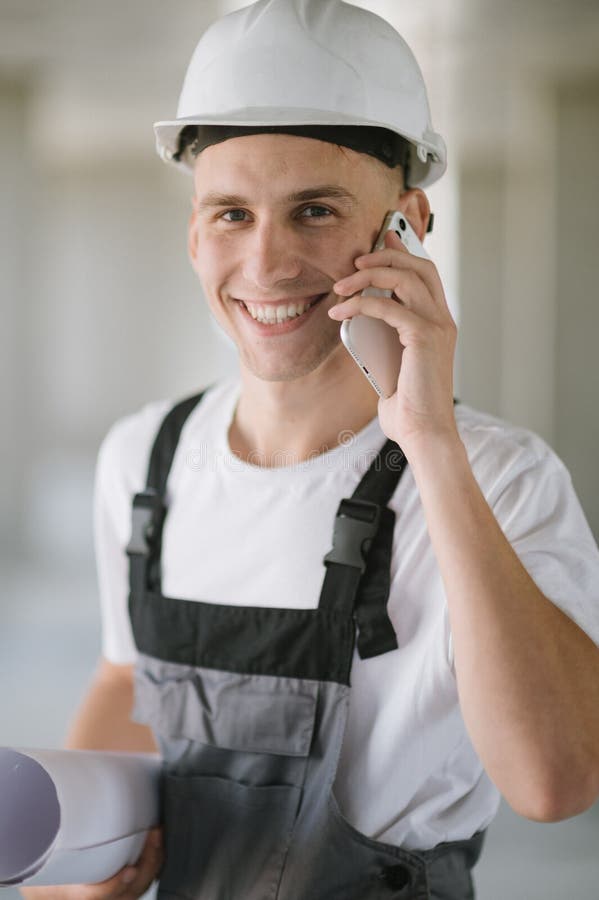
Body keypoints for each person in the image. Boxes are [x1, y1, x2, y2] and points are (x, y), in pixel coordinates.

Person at [22, 1, 599, 898]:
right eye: (230, 215)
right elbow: (125, 677)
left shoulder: (500, 476)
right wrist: (79, 866)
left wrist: (429, 439)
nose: (265, 263)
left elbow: (554, 782)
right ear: (192, 233)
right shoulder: (146, 458)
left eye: (315, 211)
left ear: (405, 225)